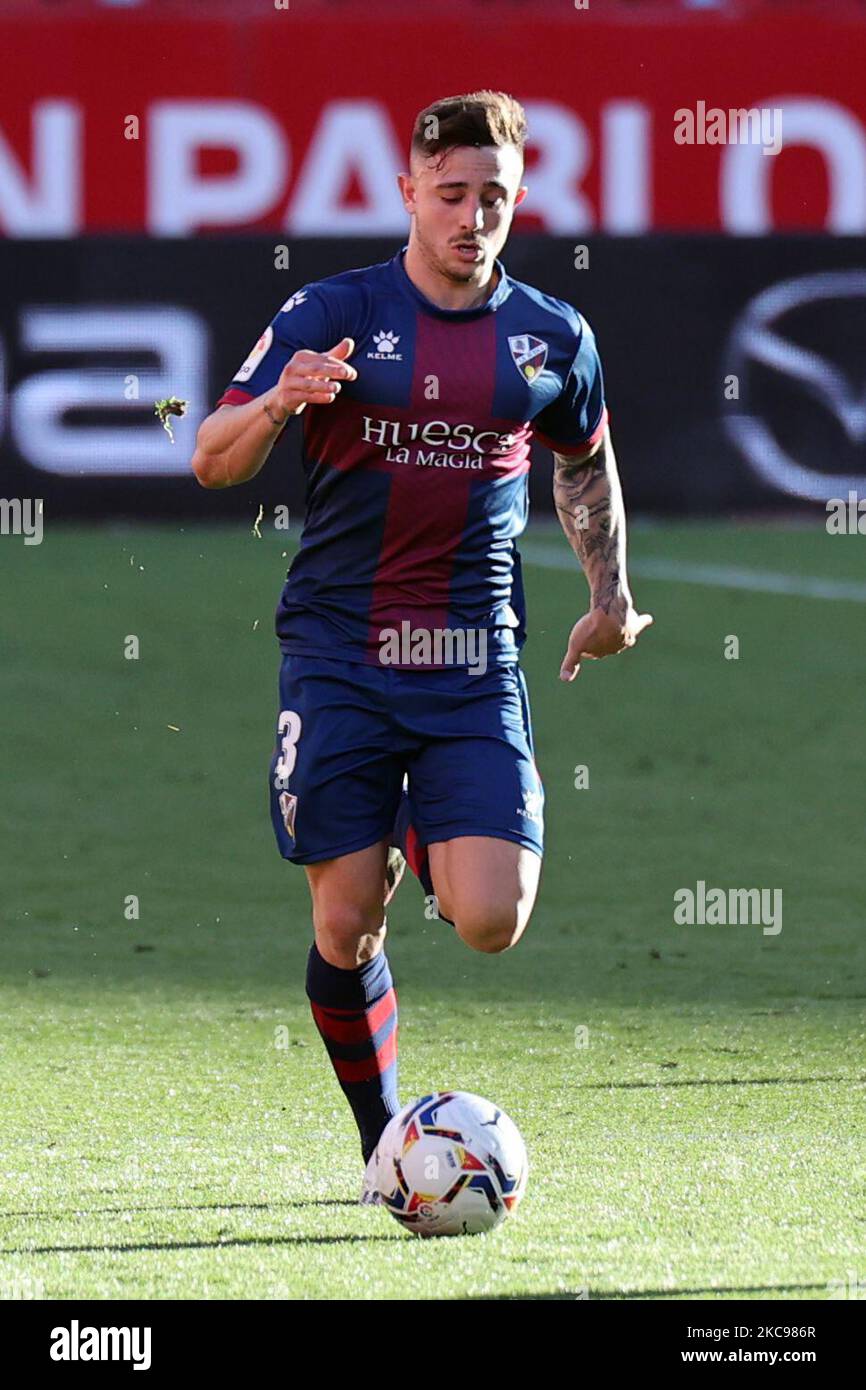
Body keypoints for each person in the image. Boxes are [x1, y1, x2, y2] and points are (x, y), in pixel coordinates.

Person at [190, 89, 652, 1189]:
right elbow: (209, 455)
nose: (469, 217)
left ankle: (419, 822)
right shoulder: (329, 312)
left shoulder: (550, 335)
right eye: (448, 194)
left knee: (490, 918)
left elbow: (582, 459)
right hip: (340, 656)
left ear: (518, 200)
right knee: (346, 924)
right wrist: (276, 406)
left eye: (492, 197)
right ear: (407, 191)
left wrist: (607, 593)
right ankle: (383, 1136)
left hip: (470, 660)